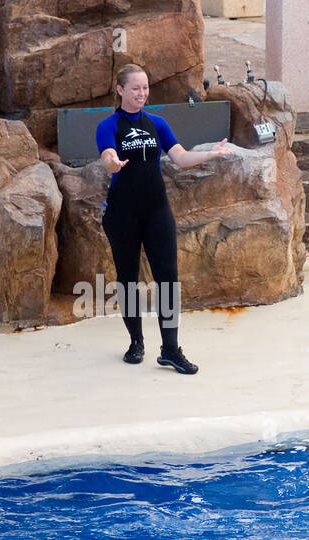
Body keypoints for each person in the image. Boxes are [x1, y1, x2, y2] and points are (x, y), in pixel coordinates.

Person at [96, 63, 233, 374]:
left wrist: (211, 153)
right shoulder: (109, 125)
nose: (142, 93)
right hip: (122, 213)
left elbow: (180, 157)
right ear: (120, 90)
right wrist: (114, 163)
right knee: (129, 278)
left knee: (168, 281)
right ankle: (135, 342)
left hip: (157, 210)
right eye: (135, 88)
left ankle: (170, 349)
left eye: (145, 88)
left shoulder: (157, 123)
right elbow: (106, 157)